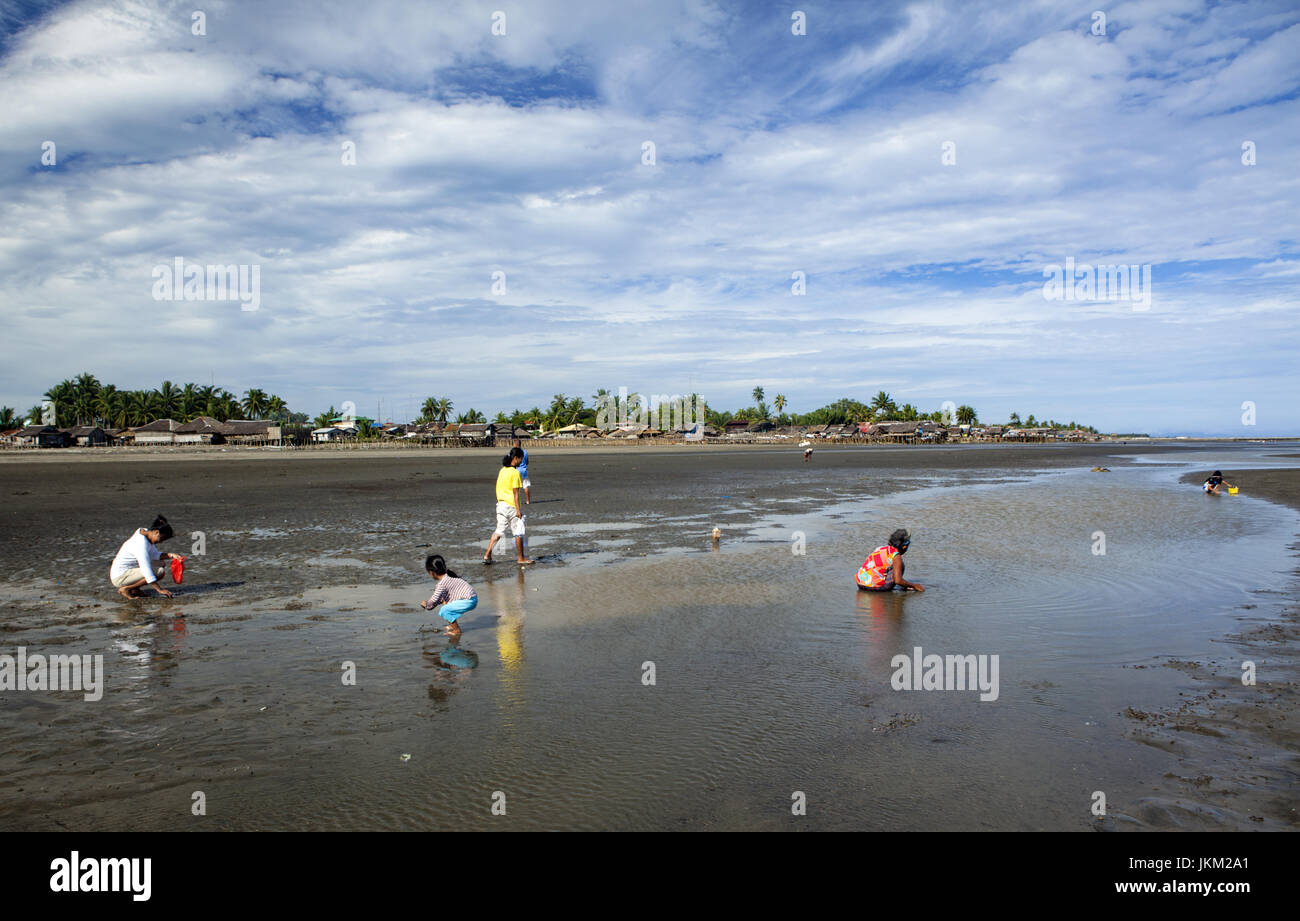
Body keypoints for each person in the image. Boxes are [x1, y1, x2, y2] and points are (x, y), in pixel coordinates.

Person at [110, 515, 180, 598]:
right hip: (120, 576)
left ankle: (135, 589)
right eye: (162, 539)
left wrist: (172, 555)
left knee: (160, 563)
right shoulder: (141, 545)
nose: (161, 542)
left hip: (128, 570)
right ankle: (127, 589)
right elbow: (146, 569)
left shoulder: (145, 533)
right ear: (156, 532)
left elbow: (155, 555)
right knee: (160, 572)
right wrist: (159, 589)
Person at [485, 448, 534, 565]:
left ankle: (487, 554)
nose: (521, 461)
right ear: (516, 458)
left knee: (499, 531)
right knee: (518, 532)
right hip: (511, 506)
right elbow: (516, 494)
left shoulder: (502, 470)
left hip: (500, 504)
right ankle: (521, 558)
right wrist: (518, 510)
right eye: (521, 458)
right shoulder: (515, 473)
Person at [420, 554, 478, 637]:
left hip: (468, 600)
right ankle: (452, 625)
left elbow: (433, 601)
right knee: (446, 605)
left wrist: (425, 604)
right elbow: (439, 600)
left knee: (444, 610)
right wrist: (433, 604)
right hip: (472, 598)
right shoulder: (449, 576)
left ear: (431, 573)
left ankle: (456, 631)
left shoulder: (442, 584)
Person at [856, 528, 924, 592]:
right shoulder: (896, 556)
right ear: (904, 547)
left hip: (860, 583)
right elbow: (898, 581)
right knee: (900, 565)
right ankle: (902, 586)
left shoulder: (880, 548)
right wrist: (914, 586)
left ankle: (904, 585)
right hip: (873, 587)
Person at [512, 437, 531, 504]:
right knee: (525, 486)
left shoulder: (514, 452)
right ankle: (528, 500)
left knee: (516, 487)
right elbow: (527, 462)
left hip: (516, 471)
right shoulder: (525, 452)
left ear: (515, 444)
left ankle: (515, 501)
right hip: (524, 471)